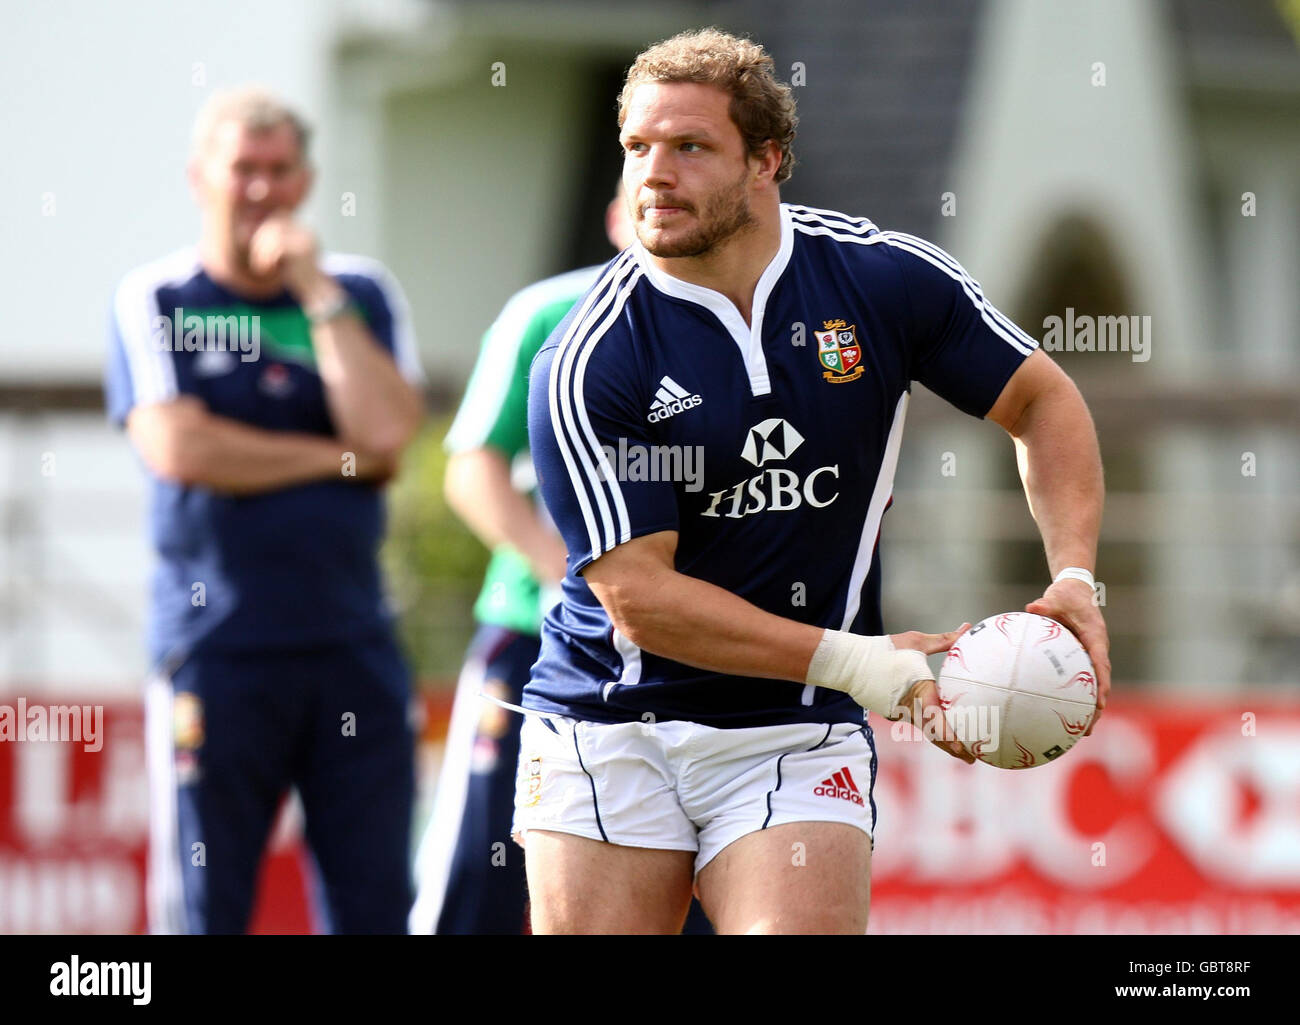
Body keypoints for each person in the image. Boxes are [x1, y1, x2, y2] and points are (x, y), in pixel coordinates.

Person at [518, 28, 1110, 935]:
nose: (653, 174)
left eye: (690, 147)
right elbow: (643, 600)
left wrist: (1074, 577)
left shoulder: (879, 280)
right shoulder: (591, 354)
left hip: (794, 732)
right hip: (614, 727)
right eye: (637, 146)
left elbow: (1044, 400)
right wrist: (868, 667)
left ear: (768, 158)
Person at [104, 87, 426, 934]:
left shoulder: (357, 292)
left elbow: (390, 432)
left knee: (376, 904)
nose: (261, 189)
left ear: (306, 181)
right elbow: (180, 449)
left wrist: (314, 291)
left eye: (279, 170)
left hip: (352, 645)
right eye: (243, 168)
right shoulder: (160, 298)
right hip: (217, 650)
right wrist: (338, 458)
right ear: (200, 177)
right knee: (205, 906)